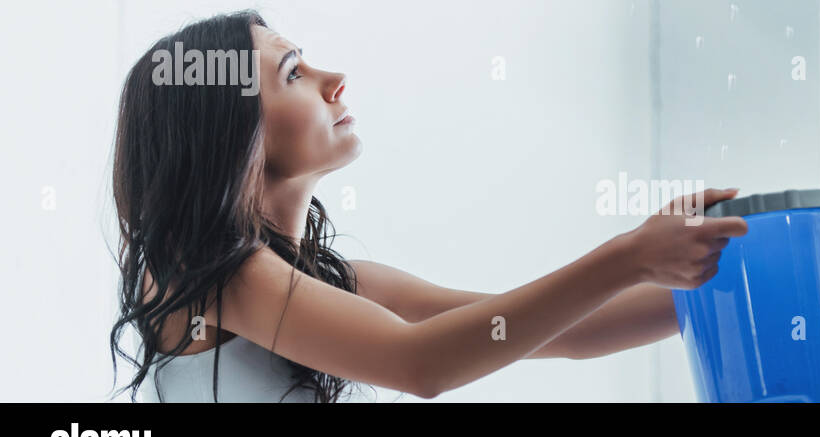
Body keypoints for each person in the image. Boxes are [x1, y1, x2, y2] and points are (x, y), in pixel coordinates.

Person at [108, 10, 747, 403]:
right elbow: (421, 364)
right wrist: (633, 255)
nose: (335, 80)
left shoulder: (334, 284)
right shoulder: (211, 279)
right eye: (295, 74)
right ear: (228, 134)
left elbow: (561, 333)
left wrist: (731, 274)